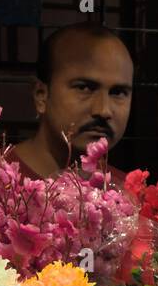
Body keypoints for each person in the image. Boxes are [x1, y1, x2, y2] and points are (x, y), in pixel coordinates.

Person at [7, 23, 134, 182]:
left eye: (118, 92)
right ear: (41, 95)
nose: (103, 110)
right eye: (84, 88)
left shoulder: (130, 198)